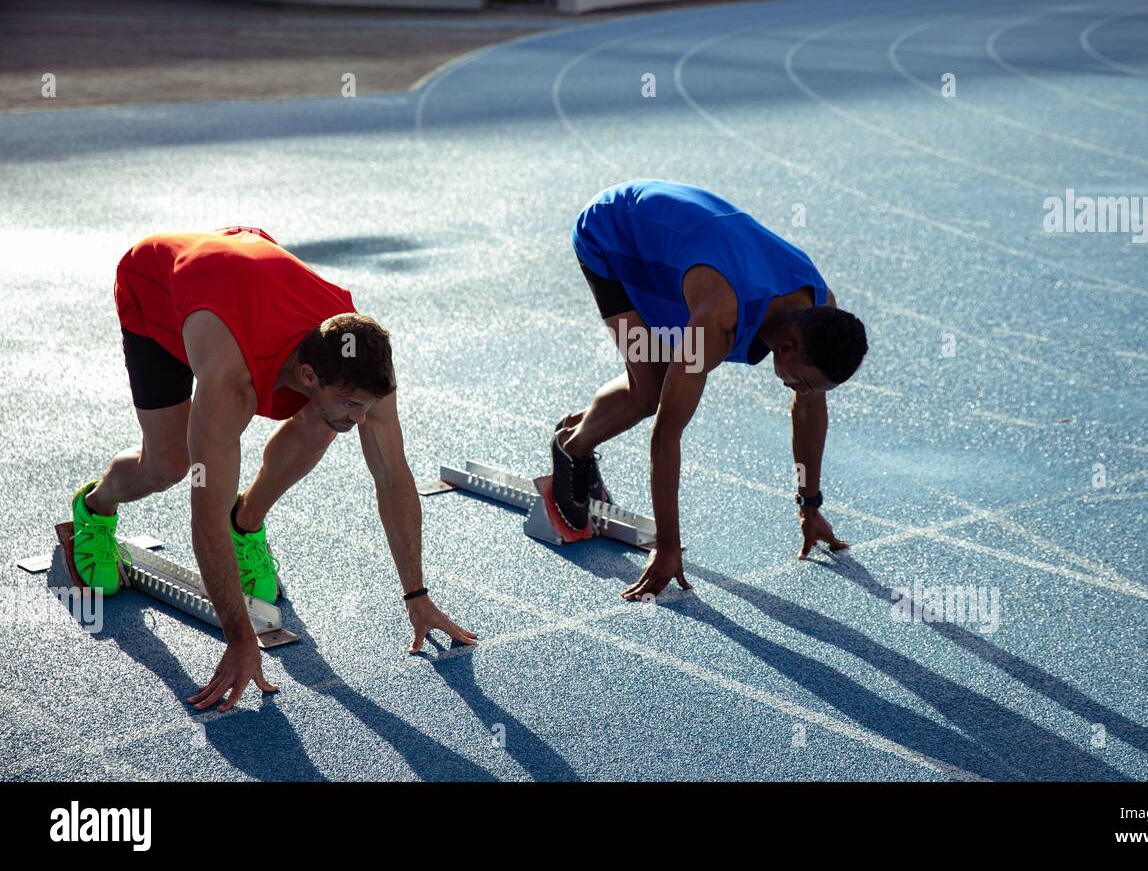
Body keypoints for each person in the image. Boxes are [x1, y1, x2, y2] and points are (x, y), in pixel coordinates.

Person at [72, 226, 475, 712]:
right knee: (171, 466)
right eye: (352, 403)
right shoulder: (229, 384)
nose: (362, 417)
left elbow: (392, 474)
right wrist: (239, 638)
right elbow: (203, 513)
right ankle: (95, 508)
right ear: (308, 376)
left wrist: (417, 593)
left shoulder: (360, 357)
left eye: (367, 404)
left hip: (239, 282)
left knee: (325, 423)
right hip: (156, 293)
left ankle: (245, 525)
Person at [551, 181, 868, 602]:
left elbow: (809, 412)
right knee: (648, 391)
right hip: (614, 231)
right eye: (804, 383)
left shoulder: (820, 305)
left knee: (663, 376)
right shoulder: (717, 320)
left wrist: (809, 504)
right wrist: (667, 547)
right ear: (787, 347)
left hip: (683, 246)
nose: (802, 391)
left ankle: (580, 426)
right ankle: (571, 447)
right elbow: (667, 434)